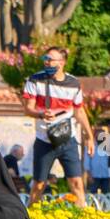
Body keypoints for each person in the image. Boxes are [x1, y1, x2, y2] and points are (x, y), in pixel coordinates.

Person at [23, 47, 94, 207]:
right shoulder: (35, 80)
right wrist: (41, 114)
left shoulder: (73, 83)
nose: (46, 62)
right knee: (39, 185)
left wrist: (89, 136)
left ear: (62, 62)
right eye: (45, 59)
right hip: (44, 140)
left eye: (50, 59)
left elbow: (79, 111)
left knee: (76, 182)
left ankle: (83, 217)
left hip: (67, 139)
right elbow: (28, 108)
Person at [86, 122, 110, 193]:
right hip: (94, 176)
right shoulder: (91, 147)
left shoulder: (108, 147)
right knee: (92, 195)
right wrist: (89, 175)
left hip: (106, 176)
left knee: (106, 195)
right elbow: (87, 163)